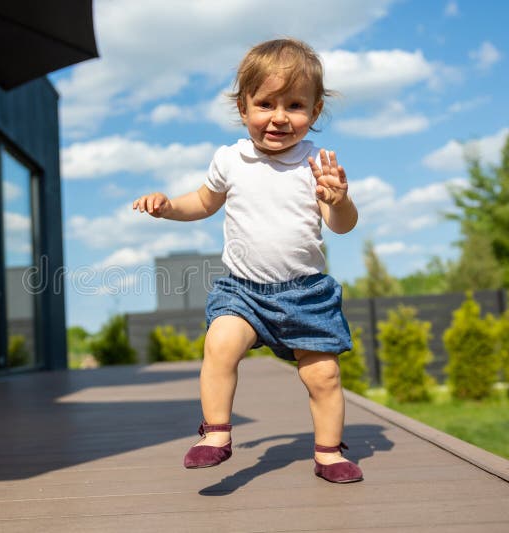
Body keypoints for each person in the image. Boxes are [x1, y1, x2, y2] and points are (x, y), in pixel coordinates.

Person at [132, 38, 362, 483]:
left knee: (324, 377)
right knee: (220, 344)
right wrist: (167, 206)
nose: (279, 117)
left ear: (314, 114)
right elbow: (202, 201)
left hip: (305, 294)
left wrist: (340, 200)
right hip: (243, 290)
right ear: (243, 107)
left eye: (295, 105)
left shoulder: (316, 164)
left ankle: (329, 453)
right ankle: (215, 434)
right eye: (265, 104)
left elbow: (341, 225)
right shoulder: (230, 160)